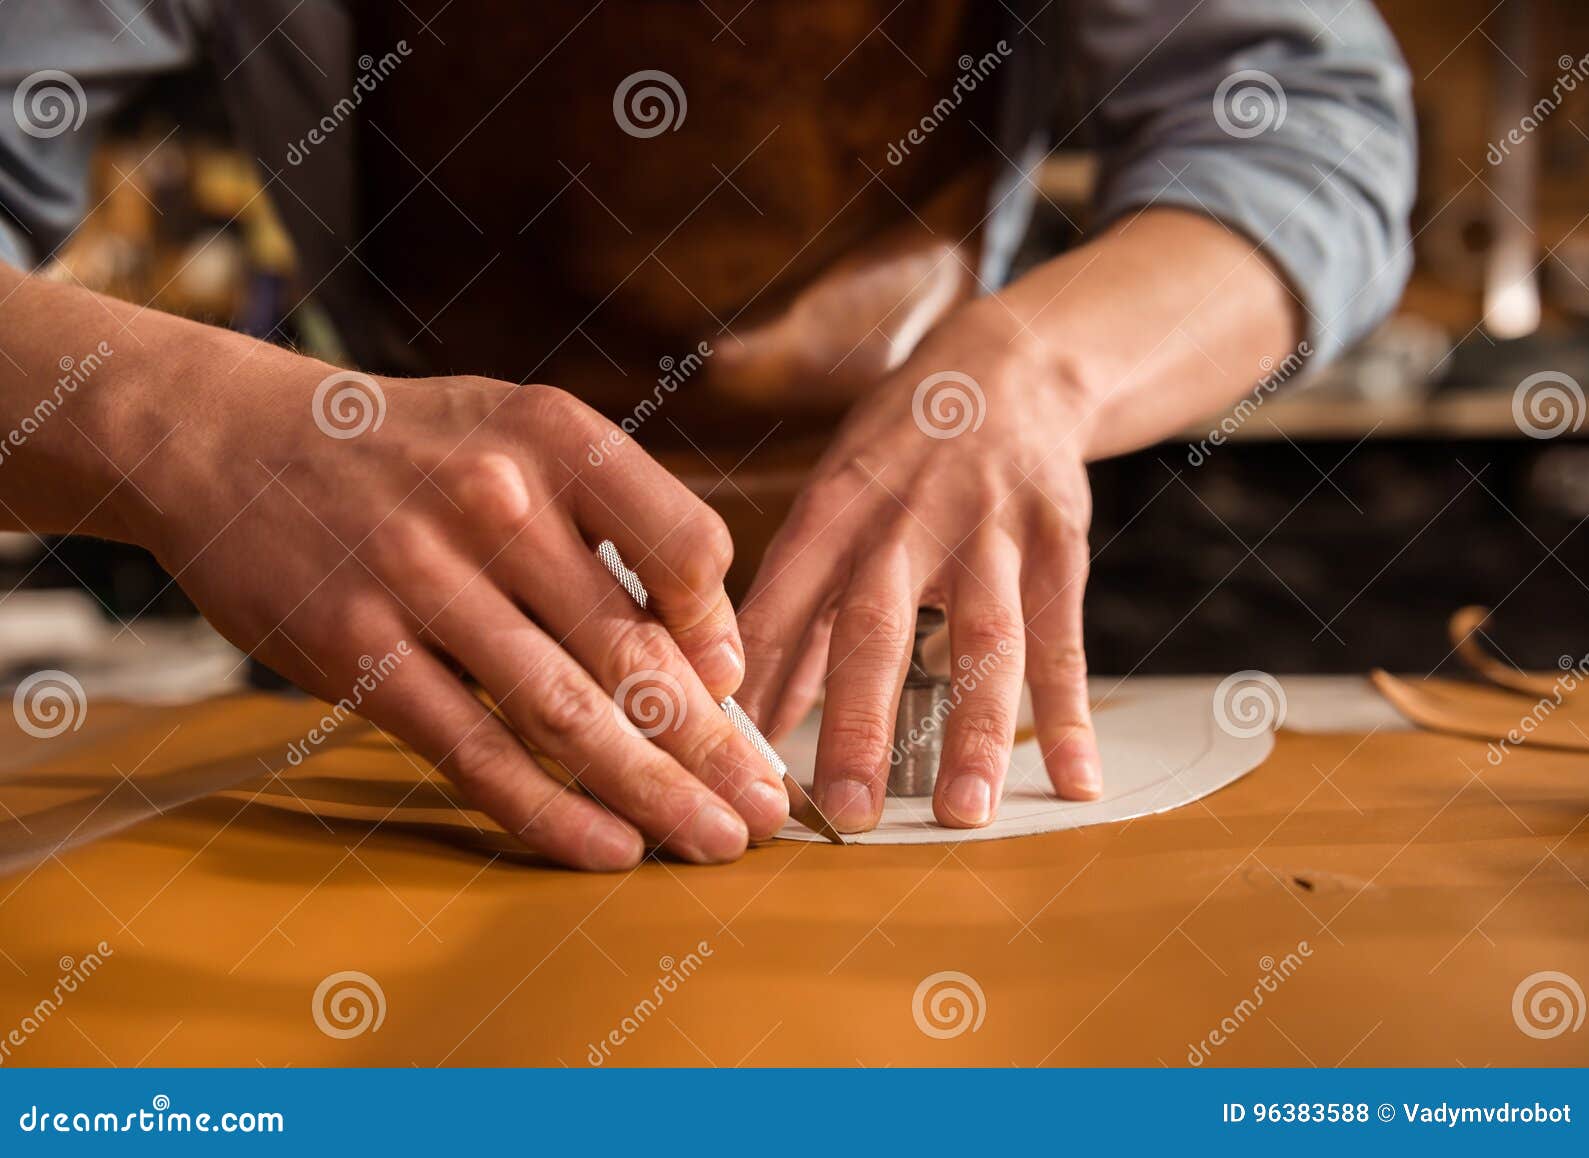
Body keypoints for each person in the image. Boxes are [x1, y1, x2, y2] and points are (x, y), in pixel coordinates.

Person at [0, 1, 1415, 868]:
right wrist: (183, 426)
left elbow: (1312, 125)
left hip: (923, 646)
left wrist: (1037, 364)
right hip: (393, 676)